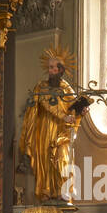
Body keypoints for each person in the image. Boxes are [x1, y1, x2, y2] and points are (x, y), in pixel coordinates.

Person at [21, 48, 86, 202]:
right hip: (44, 129)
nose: (50, 71)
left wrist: (81, 111)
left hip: (62, 132)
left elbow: (74, 107)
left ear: (60, 70)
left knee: (63, 159)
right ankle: (46, 192)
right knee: (44, 160)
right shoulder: (41, 86)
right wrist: (63, 115)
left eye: (53, 68)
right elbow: (43, 103)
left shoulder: (66, 88)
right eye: (49, 67)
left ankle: (64, 192)